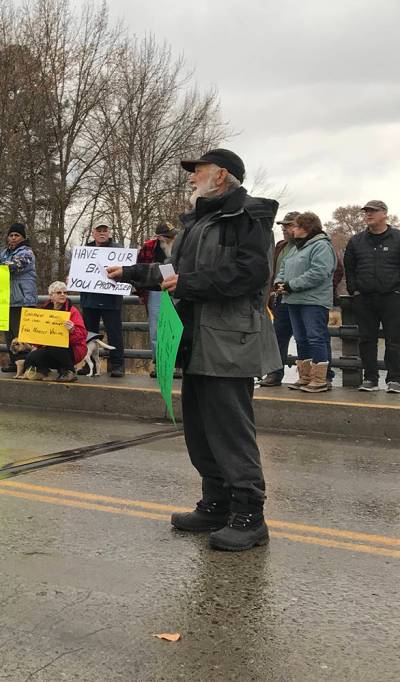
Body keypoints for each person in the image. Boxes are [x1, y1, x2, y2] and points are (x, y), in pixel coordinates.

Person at [108, 148, 280, 551]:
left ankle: (250, 516)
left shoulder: (248, 218)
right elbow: (173, 273)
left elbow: (249, 274)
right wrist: (134, 273)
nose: (190, 177)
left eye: (197, 170)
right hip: (195, 339)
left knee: (231, 430)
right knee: (201, 429)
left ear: (221, 175)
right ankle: (216, 504)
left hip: (230, 341)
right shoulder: (196, 222)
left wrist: (187, 284)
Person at [274, 212, 336, 392]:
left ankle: (320, 379)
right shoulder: (295, 248)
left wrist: (291, 285)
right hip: (292, 300)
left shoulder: (321, 246)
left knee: (315, 338)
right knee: (301, 339)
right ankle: (306, 376)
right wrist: (279, 283)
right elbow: (284, 267)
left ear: (306, 229)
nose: (292, 229)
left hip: (313, 302)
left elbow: (319, 272)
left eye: (296, 226)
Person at [343, 199, 400, 393]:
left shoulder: (397, 238)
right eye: (366, 211)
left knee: (395, 340)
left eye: (373, 211)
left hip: (392, 297)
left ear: (385, 214)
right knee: (366, 340)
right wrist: (354, 290)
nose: (368, 214)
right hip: (364, 298)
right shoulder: (356, 241)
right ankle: (370, 379)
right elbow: (349, 267)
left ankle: (395, 380)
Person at [257, 212, 299, 387]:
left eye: (288, 225)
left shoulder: (310, 244)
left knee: (307, 338)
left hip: (302, 299)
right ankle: (274, 373)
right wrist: (270, 293)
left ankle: (314, 376)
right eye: (283, 225)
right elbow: (272, 270)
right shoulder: (280, 245)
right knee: (277, 337)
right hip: (280, 299)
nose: (284, 228)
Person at [80, 223, 125, 377]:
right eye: (99, 231)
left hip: (111, 299)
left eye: (105, 231)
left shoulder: (118, 249)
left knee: (114, 333)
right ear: (93, 233)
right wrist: (73, 277)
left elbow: (126, 270)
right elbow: (78, 270)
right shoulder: (85, 250)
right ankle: (88, 365)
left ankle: (117, 365)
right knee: (88, 334)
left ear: (109, 233)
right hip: (90, 299)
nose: (102, 233)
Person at [24, 281, 88, 382]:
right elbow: (39, 334)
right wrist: (34, 344)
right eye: (59, 293)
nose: (63, 295)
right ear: (51, 296)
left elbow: (82, 335)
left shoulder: (72, 311)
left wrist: (72, 330)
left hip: (73, 349)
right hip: (51, 347)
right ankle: (44, 372)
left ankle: (69, 371)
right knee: (31, 357)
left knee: (56, 344)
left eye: (65, 293)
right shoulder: (44, 312)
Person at [137, 223, 178, 377]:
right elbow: (140, 268)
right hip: (155, 292)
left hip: (177, 290)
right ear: (159, 237)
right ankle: (159, 364)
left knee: (175, 327)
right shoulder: (148, 247)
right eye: (168, 236)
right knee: (156, 330)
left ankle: (176, 364)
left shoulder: (181, 245)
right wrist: (141, 294)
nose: (172, 238)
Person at [0, 223, 38, 373]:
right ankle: (14, 362)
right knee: (9, 335)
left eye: (17, 235)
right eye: (11, 235)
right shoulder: (3, 253)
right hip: (6, 300)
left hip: (23, 300)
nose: (13, 238)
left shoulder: (27, 252)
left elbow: (16, 265)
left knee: (22, 335)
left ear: (23, 237)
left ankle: (26, 364)